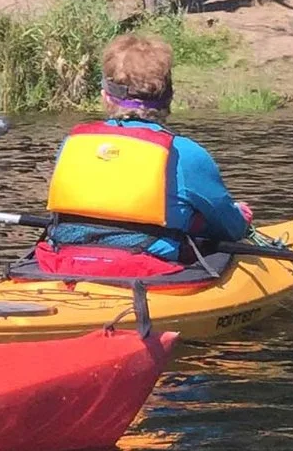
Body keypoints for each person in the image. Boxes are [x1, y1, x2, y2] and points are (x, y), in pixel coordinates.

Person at [29, 36, 255, 280]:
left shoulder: (72, 144)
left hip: (64, 263)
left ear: (106, 96)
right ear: (169, 97)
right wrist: (240, 216)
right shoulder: (186, 154)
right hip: (147, 272)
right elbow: (230, 229)